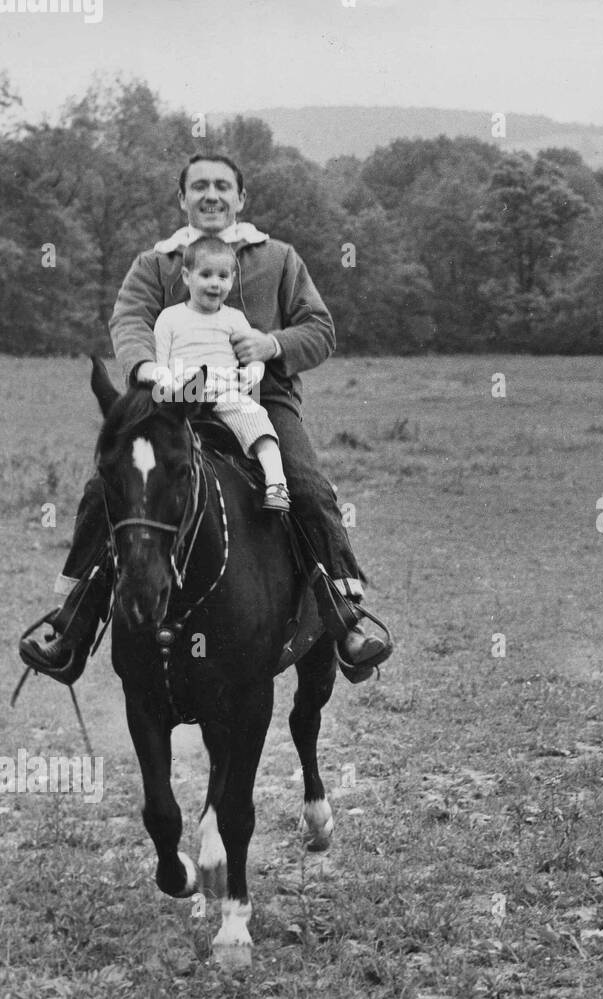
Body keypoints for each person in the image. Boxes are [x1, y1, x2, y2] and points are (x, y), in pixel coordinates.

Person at [20, 154, 392, 683]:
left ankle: (344, 616)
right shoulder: (156, 263)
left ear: (241, 199)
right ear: (183, 199)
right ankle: (72, 624)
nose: (211, 194)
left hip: (259, 400)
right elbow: (129, 321)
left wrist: (272, 342)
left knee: (308, 486)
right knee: (104, 490)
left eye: (223, 186)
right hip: (172, 400)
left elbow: (319, 328)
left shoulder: (280, 259)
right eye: (200, 187)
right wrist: (146, 367)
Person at [151, 235, 291, 511]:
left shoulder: (234, 319)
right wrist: (167, 385)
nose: (215, 283)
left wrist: (254, 371)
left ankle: (277, 482)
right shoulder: (170, 318)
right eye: (206, 275)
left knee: (257, 421)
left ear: (232, 279)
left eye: (223, 276)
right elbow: (160, 362)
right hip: (185, 393)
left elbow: (252, 356)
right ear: (187, 276)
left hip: (226, 392)